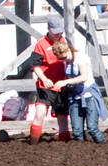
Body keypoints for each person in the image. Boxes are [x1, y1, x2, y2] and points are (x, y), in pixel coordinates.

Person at [27, 16, 72, 144]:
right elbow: (35, 66)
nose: (58, 34)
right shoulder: (41, 44)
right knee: (40, 113)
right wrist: (44, 79)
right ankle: (33, 142)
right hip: (45, 85)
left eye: (60, 32)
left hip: (61, 84)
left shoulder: (64, 41)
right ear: (49, 29)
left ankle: (65, 142)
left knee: (62, 115)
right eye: (55, 32)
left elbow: (71, 57)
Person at [55, 40, 107, 144]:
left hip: (88, 95)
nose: (64, 60)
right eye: (61, 59)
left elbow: (84, 77)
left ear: (68, 50)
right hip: (75, 97)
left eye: (64, 57)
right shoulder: (66, 63)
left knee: (92, 128)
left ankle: (102, 145)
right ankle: (81, 152)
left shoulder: (81, 58)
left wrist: (65, 82)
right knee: (77, 132)